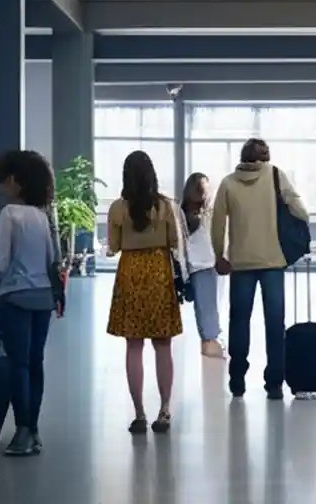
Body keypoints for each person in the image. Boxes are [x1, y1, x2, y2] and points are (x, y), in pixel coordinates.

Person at [210, 138, 309, 400]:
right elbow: (300, 210)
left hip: (240, 263)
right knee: (275, 323)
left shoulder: (228, 183)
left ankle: (237, 380)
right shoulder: (275, 175)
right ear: (265, 156)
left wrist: (220, 255)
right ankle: (274, 383)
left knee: (239, 321)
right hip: (272, 261)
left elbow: (217, 223)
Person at [0, 150, 63, 457]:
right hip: (42, 297)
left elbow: (2, 261)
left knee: (17, 364)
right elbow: (52, 260)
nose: (0, 187)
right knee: (35, 363)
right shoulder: (43, 215)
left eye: (3, 181)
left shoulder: (10, 214)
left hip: (14, 297)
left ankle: (21, 431)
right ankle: (33, 429)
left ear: (15, 182)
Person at [106, 150, 182, 434]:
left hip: (130, 273)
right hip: (159, 272)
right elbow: (174, 242)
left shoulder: (117, 208)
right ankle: (164, 410)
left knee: (133, 345)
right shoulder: (166, 207)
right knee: (163, 345)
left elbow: (113, 248)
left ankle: (139, 413)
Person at [176, 172, 224, 359]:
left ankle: (209, 339)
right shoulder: (204, 217)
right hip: (206, 265)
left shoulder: (182, 215)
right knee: (209, 306)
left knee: (205, 306)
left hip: (195, 267)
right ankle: (210, 340)